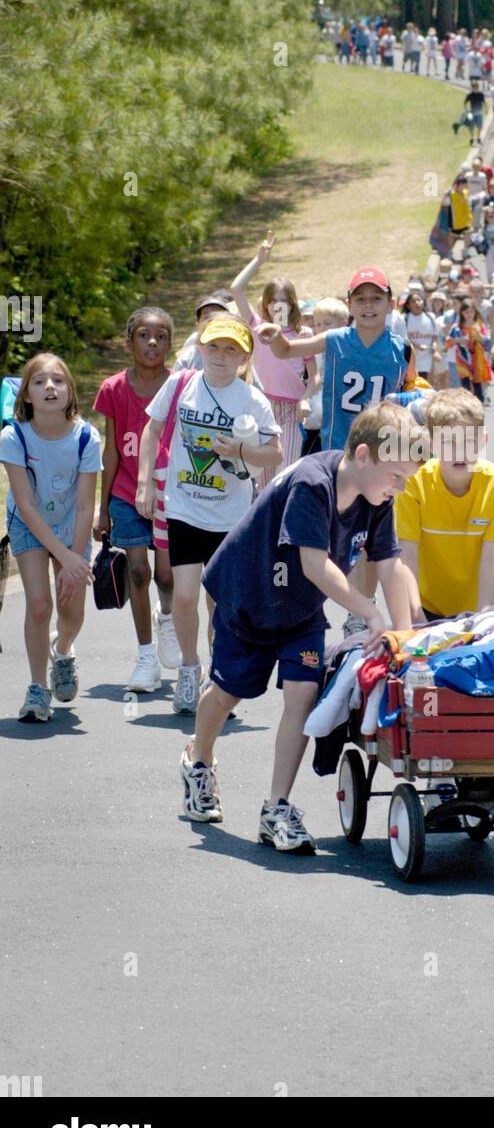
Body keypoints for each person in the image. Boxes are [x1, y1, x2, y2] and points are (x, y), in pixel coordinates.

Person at [180, 403, 424, 848]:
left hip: (302, 612)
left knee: (302, 694)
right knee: (227, 693)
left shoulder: (377, 498)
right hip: (248, 597)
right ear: (365, 456)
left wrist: (406, 641)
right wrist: (369, 613)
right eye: (397, 476)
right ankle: (199, 759)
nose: (401, 488)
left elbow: (390, 566)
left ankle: (276, 808)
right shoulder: (314, 483)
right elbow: (314, 564)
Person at [136, 318, 282, 715]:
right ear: (200, 349)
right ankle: (189, 666)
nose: (221, 356)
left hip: (230, 516)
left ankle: (219, 676)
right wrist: (146, 482)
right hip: (183, 507)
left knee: (219, 603)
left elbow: (274, 454)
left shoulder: (252, 399)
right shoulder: (181, 384)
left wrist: (240, 451)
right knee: (183, 595)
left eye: (230, 349)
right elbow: (153, 428)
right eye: (214, 347)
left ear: (244, 358)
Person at [1, 354, 102, 722]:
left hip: (70, 526)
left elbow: (84, 506)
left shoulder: (87, 436)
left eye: (58, 381)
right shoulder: (13, 437)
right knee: (40, 604)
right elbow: (26, 505)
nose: (49, 388)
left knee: (71, 610)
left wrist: (74, 559)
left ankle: (64, 649)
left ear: (70, 391)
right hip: (29, 524)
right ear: (26, 395)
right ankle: (36, 687)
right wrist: (62, 555)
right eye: (39, 382)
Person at [93, 306, 179, 693]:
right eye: (144, 335)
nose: (152, 342)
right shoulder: (113, 388)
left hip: (169, 493)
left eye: (161, 336)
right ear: (129, 342)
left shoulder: (179, 385)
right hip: (126, 493)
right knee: (139, 572)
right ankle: (145, 658)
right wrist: (103, 508)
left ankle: (168, 623)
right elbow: (110, 452)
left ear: (170, 344)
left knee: (166, 576)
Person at [396, 389, 494, 620]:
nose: (459, 452)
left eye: (468, 441)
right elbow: (407, 555)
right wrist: (415, 615)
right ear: (432, 444)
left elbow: (491, 559)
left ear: (483, 440)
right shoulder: (414, 483)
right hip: (424, 608)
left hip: (475, 610)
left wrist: (483, 617)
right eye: (448, 442)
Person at [262, 268, 415, 453]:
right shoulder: (334, 339)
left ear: (391, 304)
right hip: (338, 450)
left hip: (384, 451)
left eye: (376, 298)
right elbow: (285, 350)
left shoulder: (403, 349)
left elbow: (412, 389)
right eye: (360, 299)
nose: (368, 305)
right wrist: (277, 334)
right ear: (349, 305)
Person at [229, 230, 314, 479]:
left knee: (284, 475)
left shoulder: (304, 333)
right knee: (261, 480)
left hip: (290, 411)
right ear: (265, 304)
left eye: (284, 300)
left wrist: (306, 399)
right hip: (261, 407)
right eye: (273, 301)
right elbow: (236, 288)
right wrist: (259, 260)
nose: (278, 306)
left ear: (293, 304)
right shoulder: (257, 328)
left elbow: (315, 377)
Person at [300, 297, 350, 455]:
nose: (321, 329)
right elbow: (312, 379)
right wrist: (304, 400)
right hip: (314, 421)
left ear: (343, 324)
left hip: (341, 420)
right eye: (318, 324)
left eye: (327, 324)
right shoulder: (314, 351)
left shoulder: (349, 352)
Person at [446, 297, 492, 402]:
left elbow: (487, 343)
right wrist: (458, 340)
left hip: (477, 360)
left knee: (478, 388)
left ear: (475, 312)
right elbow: (448, 342)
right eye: (466, 312)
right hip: (462, 360)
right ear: (461, 313)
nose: (469, 314)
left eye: (471, 312)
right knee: (465, 386)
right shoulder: (457, 327)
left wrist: (479, 335)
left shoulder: (480, 326)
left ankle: (479, 409)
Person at [453, 81, 485, 147]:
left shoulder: (481, 94)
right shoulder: (470, 95)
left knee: (480, 126)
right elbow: (465, 103)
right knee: (471, 126)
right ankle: (472, 138)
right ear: (472, 88)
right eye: (474, 87)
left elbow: (484, 102)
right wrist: (467, 110)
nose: (475, 89)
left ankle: (478, 138)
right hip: (471, 113)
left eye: (476, 87)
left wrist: (486, 110)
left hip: (479, 112)